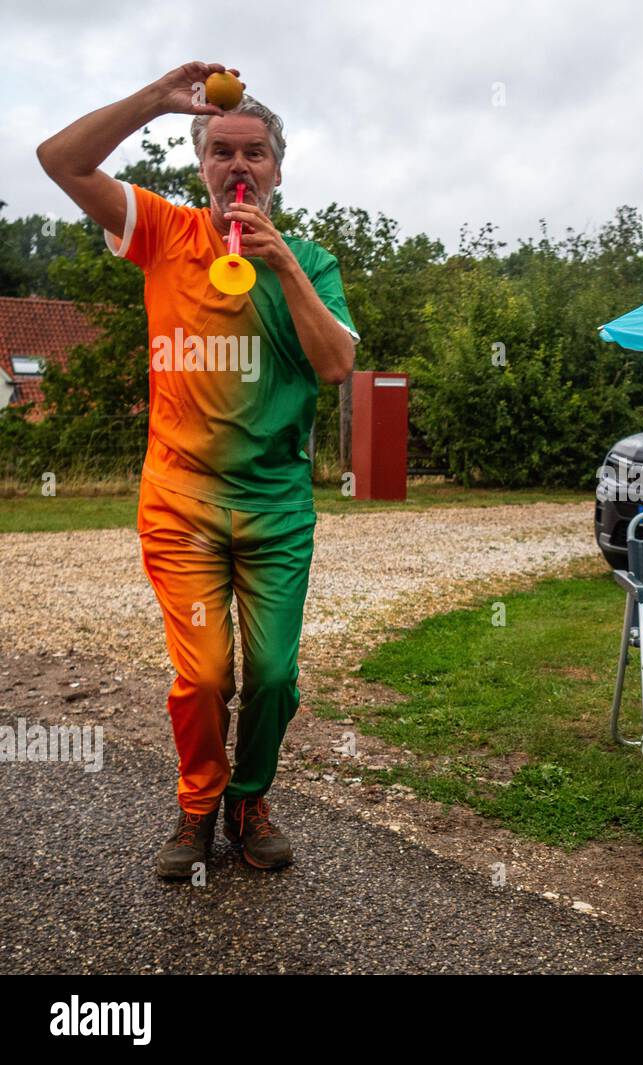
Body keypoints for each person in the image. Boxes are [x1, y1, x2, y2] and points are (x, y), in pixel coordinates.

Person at [37, 61, 358, 878]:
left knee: (277, 675)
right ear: (202, 164)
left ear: (278, 169)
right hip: (180, 500)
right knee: (206, 672)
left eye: (255, 153)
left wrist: (283, 267)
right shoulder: (163, 232)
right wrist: (153, 99)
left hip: (278, 503)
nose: (239, 167)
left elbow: (334, 366)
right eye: (223, 152)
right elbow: (60, 161)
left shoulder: (311, 263)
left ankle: (251, 798)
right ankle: (197, 804)